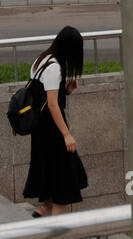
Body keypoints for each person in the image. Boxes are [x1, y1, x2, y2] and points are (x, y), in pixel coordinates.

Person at [23, 26, 88, 217]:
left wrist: (66, 91)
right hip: (52, 131)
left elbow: (41, 96)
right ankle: (59, 229)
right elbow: (52, 105)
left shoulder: (41, 60)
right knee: (65, 179)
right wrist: (67, 135)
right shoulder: (55, 67)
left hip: (40, 129)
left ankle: (44, 210)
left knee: (52, 171)